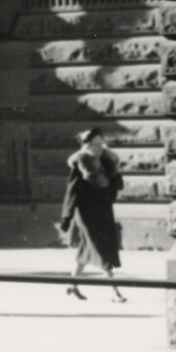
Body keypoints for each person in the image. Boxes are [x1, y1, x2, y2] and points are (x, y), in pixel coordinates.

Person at [59, 128, 126, 302]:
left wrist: (115, 172)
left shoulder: (106, 160)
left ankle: (72, 285)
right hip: (86, 213)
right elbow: (72, 191)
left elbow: (115, 186)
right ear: (87, 145)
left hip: (103, 210)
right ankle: (114, 291)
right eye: (95, 144)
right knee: (101, 248)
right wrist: (67, 216)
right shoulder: (81, 162)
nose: (99, 147)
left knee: (87, 247)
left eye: (100, 143)